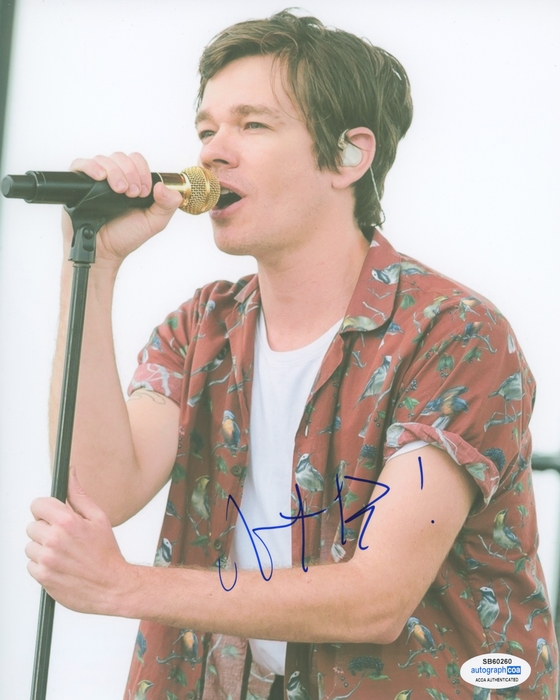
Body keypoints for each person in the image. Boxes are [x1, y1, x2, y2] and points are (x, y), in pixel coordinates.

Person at [25, 10, 558, 700]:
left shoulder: (452, 334)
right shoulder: (201, 330)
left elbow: (376, 597)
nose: (213, 153)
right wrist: (92, 264)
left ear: (349, 156)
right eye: (206, 130)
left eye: (252, 125)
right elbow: (96, 493)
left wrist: (123, 585)